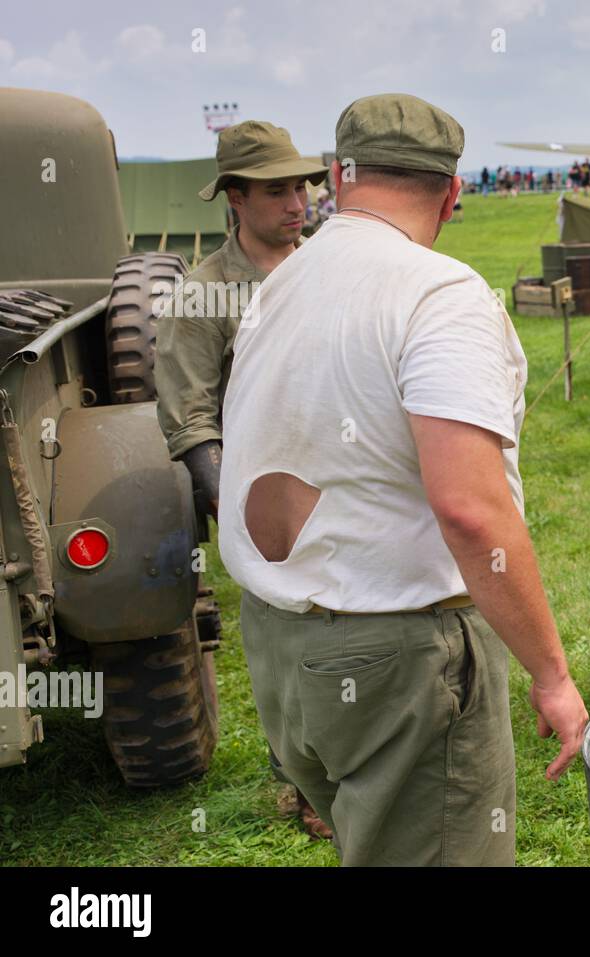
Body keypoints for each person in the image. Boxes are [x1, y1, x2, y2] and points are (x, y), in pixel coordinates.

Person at [218, 93, 588, 866]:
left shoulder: (278, 284)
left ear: (335, 177)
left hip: (284, 646)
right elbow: (471, 511)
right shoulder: (438, 295)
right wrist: (552, 673)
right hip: (394, 657)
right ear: (453, 195)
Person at [154, 120, 331, 840]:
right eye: (276, 189)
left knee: (350, 632)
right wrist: (238, 515)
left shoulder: (328, 265)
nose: (297, 202)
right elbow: (191, 417)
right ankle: (305, 781)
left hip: (342, 472)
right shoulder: (204, 296)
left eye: (303, 186)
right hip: (262, 490)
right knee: (288, 644)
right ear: (234, 196)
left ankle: (347, 763)